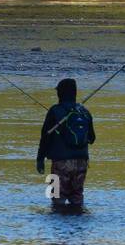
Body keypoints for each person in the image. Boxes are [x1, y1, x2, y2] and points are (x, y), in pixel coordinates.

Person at [36, 78, 95, 210]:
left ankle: (58, 225)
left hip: (60, 162)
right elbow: (92, 138)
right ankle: (77, 221)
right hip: (82, 162)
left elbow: (45, 137)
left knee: (56, 197)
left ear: (60, 93)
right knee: (77, 197)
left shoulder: (54, 111)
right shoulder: (84, 111)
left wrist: (40, 159)